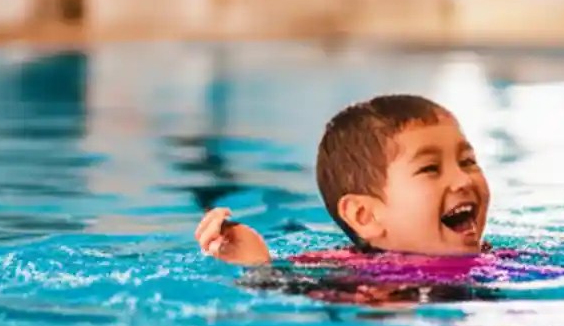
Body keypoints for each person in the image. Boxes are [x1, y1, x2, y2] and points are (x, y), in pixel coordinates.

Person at [194, 94, 491, 267]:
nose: (462, 179)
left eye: (468, 161)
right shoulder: (353, 278)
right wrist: (257, 264)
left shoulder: (507, 260)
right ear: (365, 216)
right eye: (430, 169)